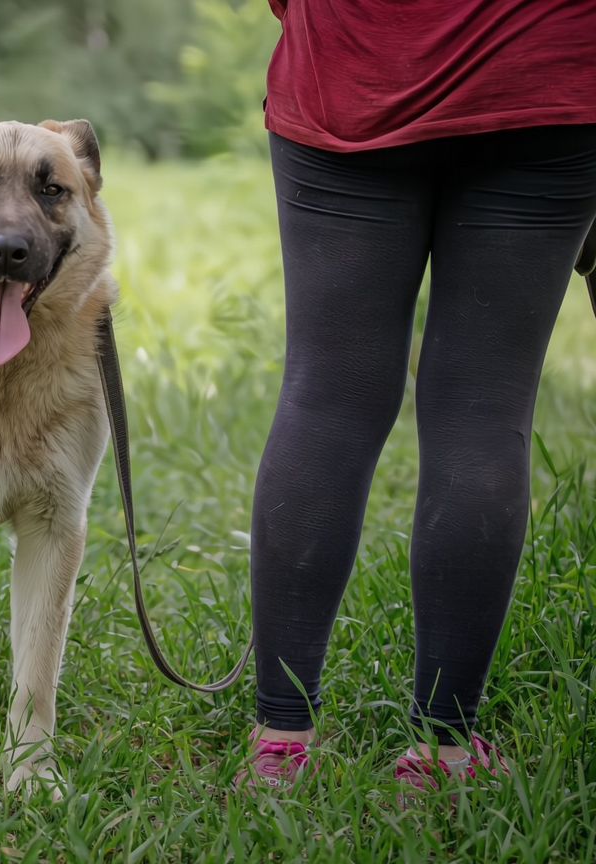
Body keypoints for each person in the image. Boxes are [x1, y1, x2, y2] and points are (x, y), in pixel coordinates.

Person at [242, 0, 596, 792]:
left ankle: (282, 745)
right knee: (484, 409)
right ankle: (441, 755)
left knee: (325, 396)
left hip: (352, 70)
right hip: (542, 73)